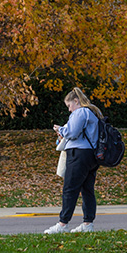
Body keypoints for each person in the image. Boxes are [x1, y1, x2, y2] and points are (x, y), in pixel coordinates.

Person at [44, 87, 101, 234]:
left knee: (70, 188)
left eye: (69, 105)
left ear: (76, 101)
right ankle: (88, 223)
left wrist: (60, 130)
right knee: (87, 189)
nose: (69, 110)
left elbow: (72, 132)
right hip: (91, 155)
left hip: (78, 155)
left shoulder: (81, 112)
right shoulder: (92, 112)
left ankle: (63, 224)